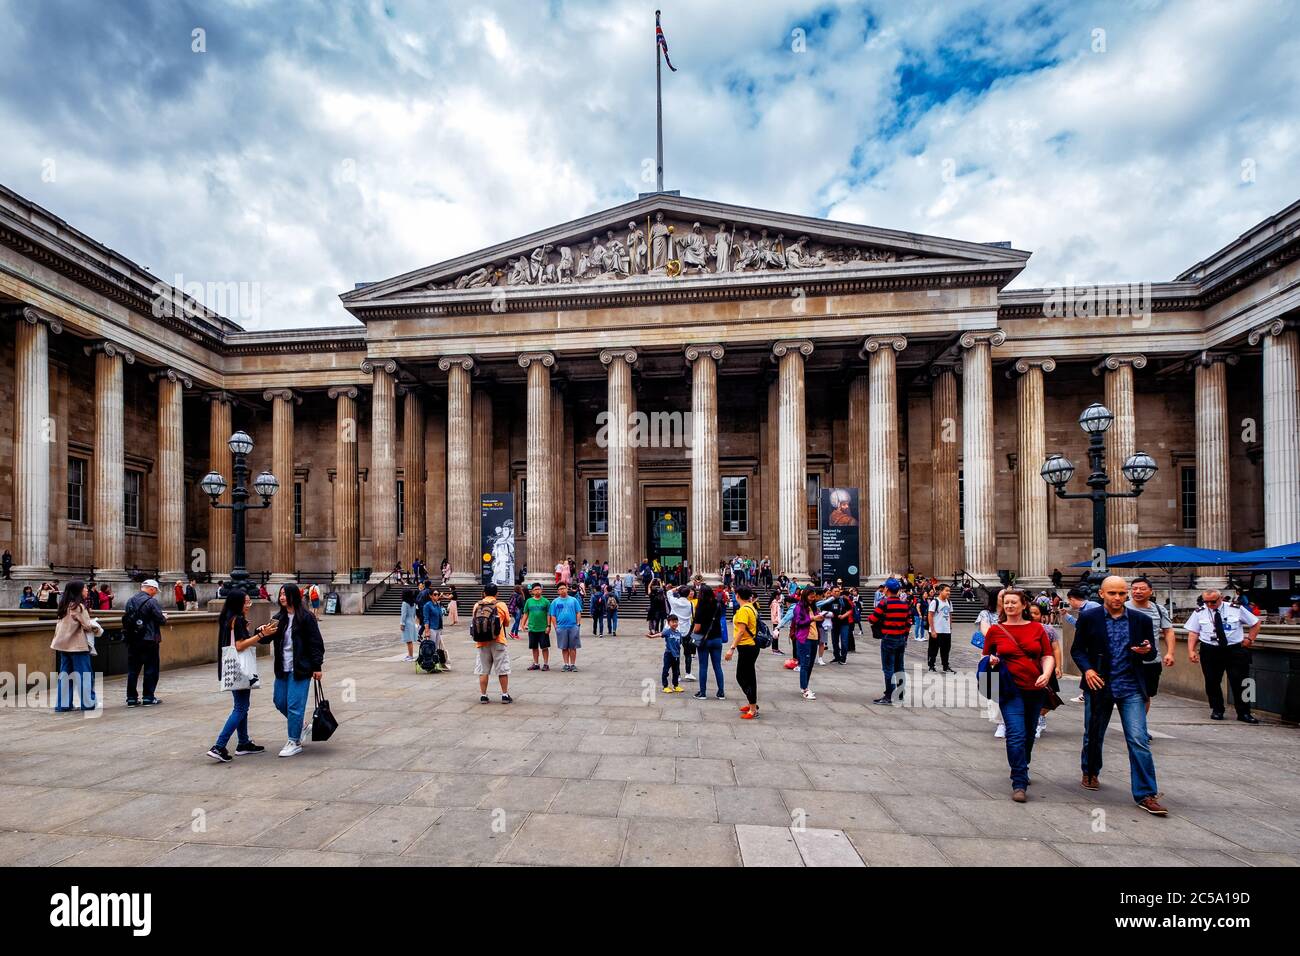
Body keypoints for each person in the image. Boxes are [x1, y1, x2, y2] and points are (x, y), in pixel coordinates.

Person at [1073, 575, 1167, 815]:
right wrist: (1089, 669)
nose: (1118, 598)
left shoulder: (1140, 620)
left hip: (1131, 686)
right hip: (1099, 685)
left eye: (1122, 593)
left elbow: (1150, 653)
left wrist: (1146, 651)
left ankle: (1146, 793)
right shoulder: (1089, 618)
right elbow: (1078, 650)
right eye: (1113, 593)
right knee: (1094, 734)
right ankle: (1091, 771)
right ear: (1102, 594)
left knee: (1138, 739)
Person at [982, 588, 1055, 801]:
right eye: (1006, 603)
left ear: (1024, 605)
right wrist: (992, 661)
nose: (1010, 606)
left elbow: (1047, 655)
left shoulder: (1037, 628)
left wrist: (1047, 673)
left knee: (1029, 733)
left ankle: (1023, 764)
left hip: (1034, 688)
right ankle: (1019, 781)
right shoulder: (996, 630)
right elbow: (986, 656)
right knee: (1015, 734)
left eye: (1014, 602)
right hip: (1009, 688)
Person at [263, 583, 325, 757]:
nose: (282, 597)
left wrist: (317, 666)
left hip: (301, 668)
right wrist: (260, 632)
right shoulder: (278, 618)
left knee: (294, 705)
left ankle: (294, 741)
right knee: (279, 701)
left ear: (293, 596)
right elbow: (265, 640)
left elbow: (316, 643)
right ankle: (303, 726)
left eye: (285, 594)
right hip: (282, 668)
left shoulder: (306, 617)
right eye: (280, 594)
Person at [1183, 589, 1261, 724]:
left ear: (1221, 598)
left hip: (1234, 649)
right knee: (1212, 681)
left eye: (1213, 601)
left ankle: (1244, 712)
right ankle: (1217, 709)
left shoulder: (1236, 609)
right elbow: (1194, 632)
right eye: (1206, 602)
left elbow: (1255, 623)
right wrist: (1191, 650)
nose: (1209, 605)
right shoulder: (1199, 612)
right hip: (1210, 650)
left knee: (1242, 682)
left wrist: (1250, 639)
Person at [207, 588, 267, 761]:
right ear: (238, 603)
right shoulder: (238, 619)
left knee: (242, 706)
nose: (249, 605)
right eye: (246, 602)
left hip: (231, 667)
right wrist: (261, 635)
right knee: (240, 707)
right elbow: (240, 646)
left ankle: (243, 742)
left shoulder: (228, 618)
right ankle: (219, 746)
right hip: (241, 668)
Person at [1126, 577, 1176, 724]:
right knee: (1128, 695)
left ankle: (1139, 727)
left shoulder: (1159, 610)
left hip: (1151, 661)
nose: (1137, 592)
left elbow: (1168, 631)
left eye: (1142, 589)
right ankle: (1133, 727)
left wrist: (1170, 653)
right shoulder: (1122, 608)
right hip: (1127, 661)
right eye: (1134, 588)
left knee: (1145, 695)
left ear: (1150, 591)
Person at [51, 580, 100, 712]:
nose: (87, 590)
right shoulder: (78, 607)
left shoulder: (64, 605)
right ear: (78, 591)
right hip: (78, 646)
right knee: (85, 675)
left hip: (63, 646)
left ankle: (63, 705)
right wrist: (97, 627)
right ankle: (88, 703)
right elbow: (87, 626)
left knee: (65, 676)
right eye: (84, 588)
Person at [123, 579, 169, 706]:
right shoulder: (151, 602)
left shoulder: (130, 601)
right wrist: (164, 617)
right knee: (151, 669)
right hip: (149, 639)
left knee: (133, 670)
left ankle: (131, 698)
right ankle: (148, 697)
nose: (155, 594)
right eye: (155, 591)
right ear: (151, 589)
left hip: (133, 639)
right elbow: (160, 620)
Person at [868, 578, 913, 705]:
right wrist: (904, 636)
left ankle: (889, 695)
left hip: (888, 639)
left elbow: (872, 618)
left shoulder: (884, 603)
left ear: (887, 589)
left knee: (888, 668)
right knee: (900, 667)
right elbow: (909, 622)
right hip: (900, 639)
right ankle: (900, 694)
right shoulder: (905, 604)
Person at [471, 583, 512, 703]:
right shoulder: (501, 605)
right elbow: (507, 622)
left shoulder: (477, 605)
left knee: (483, 670)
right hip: (498, 640)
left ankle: (483, 695)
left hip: (481, 641)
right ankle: (504, 695)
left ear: (484, 593)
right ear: (497, 593)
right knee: (502, 669)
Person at [1027, 601, 1062, 739]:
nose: (1033, 616)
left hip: (1047, 667)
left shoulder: (1048, 629)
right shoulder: (1021, 627)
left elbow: (1056, 649)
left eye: (1036, 613)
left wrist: (1058, 666)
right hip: (1030, 668)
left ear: (1042, 616)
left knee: (1051, 696)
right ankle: (1034, 719)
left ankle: (1040, 716)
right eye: (1030, 613)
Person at [725, 585, 761, 719]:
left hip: (746, 646)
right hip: (751, 646)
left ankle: (753, 707)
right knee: (749, 676)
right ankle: (752, 703)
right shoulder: (751, 607)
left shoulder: (743, 610)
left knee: (742, 676)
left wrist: (731, 648)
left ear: (738, 595)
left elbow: (741, 631)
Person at [691, 583, 725, 700]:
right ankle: (721, 692)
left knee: (703, 666)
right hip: (717, 638)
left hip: (704, 639)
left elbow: (698, 627)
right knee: (717, 666)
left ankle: (703, 692)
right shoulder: (717, 605)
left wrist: (692, 634)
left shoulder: (700, 606)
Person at [791, 587, 823, 700]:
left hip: (814, 637)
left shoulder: (813, 607)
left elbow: (815, 622)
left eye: (814, 596)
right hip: (804, 638)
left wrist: (821, 617)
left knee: (810, 664)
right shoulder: (799, 607)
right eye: (811, 596)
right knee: (804, 664)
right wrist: (813, 618)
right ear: (805, 596)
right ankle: (804, 689)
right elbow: (799, 622)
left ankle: (805, 686)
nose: (813, 598)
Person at [550, 581, 583, 671]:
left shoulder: (573, 600)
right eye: (560, 589)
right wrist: (555, 626)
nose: (562, 590)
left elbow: (578, 612)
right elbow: (553, 615)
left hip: (573, 626)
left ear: (567, 589)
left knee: (573, 647)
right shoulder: (555, 602)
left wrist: (578, 624)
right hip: (561, 627)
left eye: (563, 588)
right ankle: (566, 664)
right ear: (558, 591)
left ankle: (573, 664)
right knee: (564, 647)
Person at [649, 612, 685, 692]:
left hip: (676, 656)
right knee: (666, 670)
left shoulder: (679, 633)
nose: (675, 623)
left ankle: (676, 686)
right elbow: (660, 634)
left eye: (676, 622)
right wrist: (652, 636)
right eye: (673, 622)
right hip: (668, 654)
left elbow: (680, 644)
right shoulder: (667, 632)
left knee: (676, 671)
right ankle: (665, 686)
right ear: (669, 623)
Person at [522, 581, 552, 671]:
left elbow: (548, 614)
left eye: (539, 589)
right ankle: (536, 663)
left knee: (544, 647)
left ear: (541, 590)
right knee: (534, 647)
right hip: (532, 628)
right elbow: (526, 613)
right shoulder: (529, 601)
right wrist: (522, 624)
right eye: (535, 589)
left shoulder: (546, 601)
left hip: (543, 628)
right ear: (532, 591)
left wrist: (548, 626)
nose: (537, 591)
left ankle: (546, 664)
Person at [927, 583, 955, 673]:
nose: (948, 592)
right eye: (946, 590)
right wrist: (932, 630)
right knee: (933, 649)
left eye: (949, 591)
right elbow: (930, 616)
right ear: (940, 591)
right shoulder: (935, 602)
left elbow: (950, 615)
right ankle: (931, 665)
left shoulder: (949, 602)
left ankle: (945, 666)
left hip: (946, 631)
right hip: (936, 631)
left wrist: (950, 627)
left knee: (946, 650)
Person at [420, 586, 449, 670]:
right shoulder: (427, 605)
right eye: (435, 594)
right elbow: (426, 619)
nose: (437, 596)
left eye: (438, 594)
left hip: (438, 628)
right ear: (430, 596)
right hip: (432, 628)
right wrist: (427, 630)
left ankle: (435, 663)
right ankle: (430, 663)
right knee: (431, 647)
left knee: (436, 647)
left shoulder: (437, 604)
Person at [399, 587, 420, 662]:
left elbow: (403, 614)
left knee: (408, 640)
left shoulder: (405, 603)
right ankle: (410, 654)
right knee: (409, 640)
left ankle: (410, 655)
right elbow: (414, 614)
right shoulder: (413, 603)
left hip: (407, 622)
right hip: (412, 621)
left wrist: (402, 623)